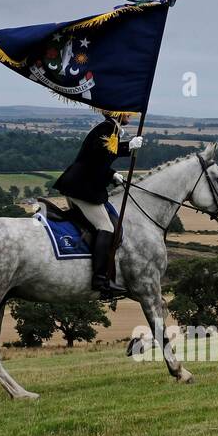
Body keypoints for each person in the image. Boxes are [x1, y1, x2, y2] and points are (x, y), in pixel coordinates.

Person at [52, 109, 143, 298]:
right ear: (117, 114)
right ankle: (100, 280)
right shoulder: (107, 128)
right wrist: (128, 147)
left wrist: (111, 174)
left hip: (78, 185)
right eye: (127, 113)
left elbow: (96, 161)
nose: (130, 116)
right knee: (107, 228)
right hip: (82, 189)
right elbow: (102, 152)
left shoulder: (110, 129)